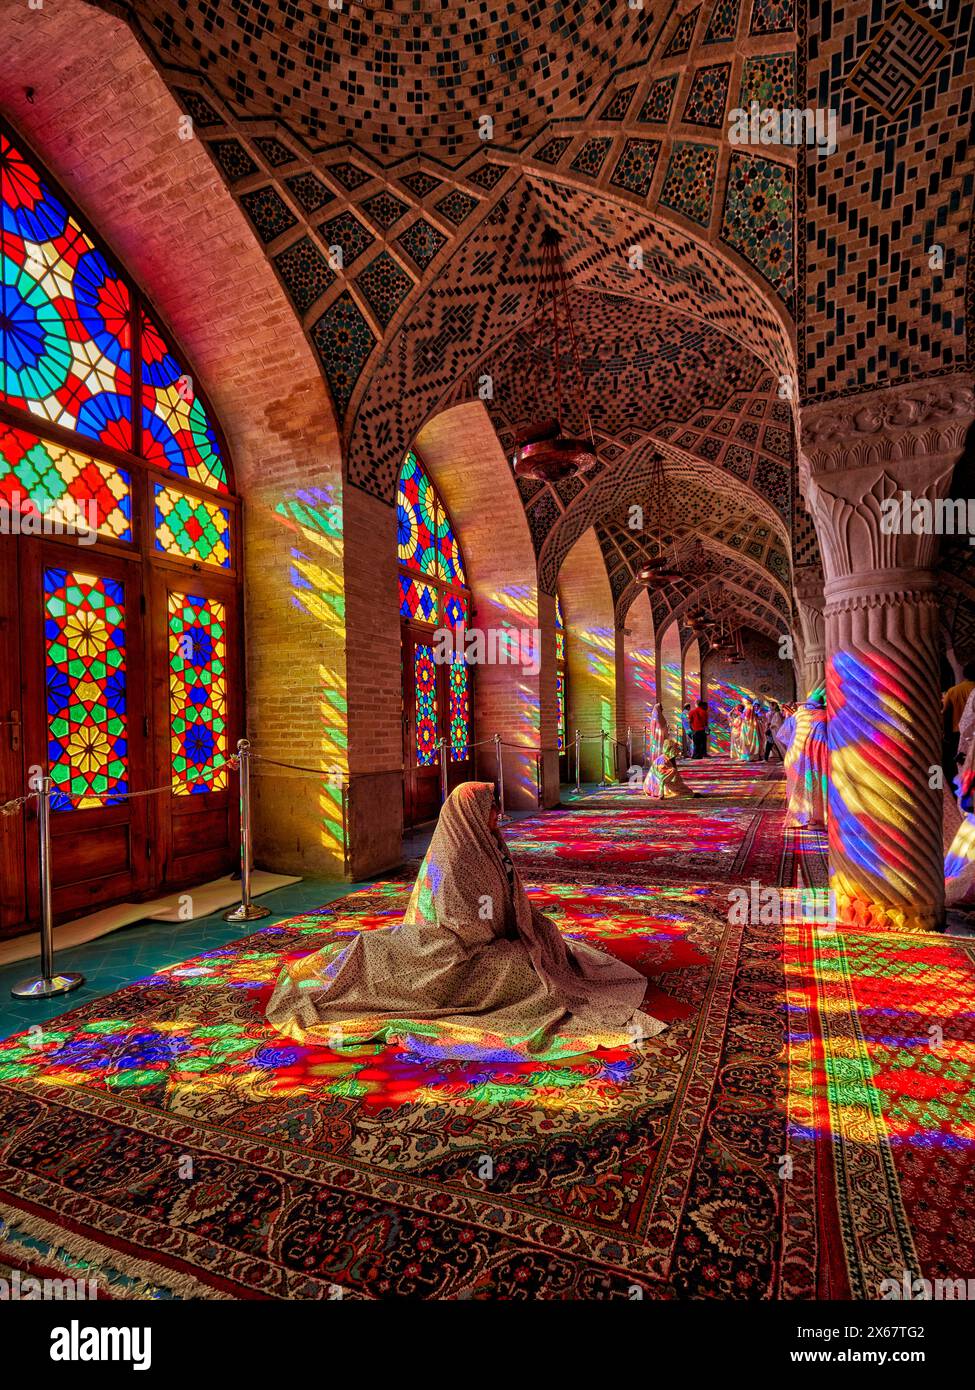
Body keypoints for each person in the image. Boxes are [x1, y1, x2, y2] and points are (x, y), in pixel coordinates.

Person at [266, 781, 668, 1061]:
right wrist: (503, 933)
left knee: (546, 941)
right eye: (491, 806)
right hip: (451, 948)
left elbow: (505, 895)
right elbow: (460, 922)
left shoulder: (487, 843)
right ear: (472, 812)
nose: (498, 812)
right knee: (522, 974)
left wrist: (523, 922)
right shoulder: (457, 856)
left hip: (490, 934)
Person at [782, 696, 828, 828]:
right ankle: (817, 819)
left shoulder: (799, 715)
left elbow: (784, 734)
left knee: (800, 784)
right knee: (819, 783)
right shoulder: (825, 714)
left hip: (798, 755)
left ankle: (805, 816)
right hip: (820, 752)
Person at [943, 662, 975, 780]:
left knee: (960, 765)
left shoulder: (953, 691)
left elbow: (946, 714)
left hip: (957, 735)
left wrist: (946, 734)